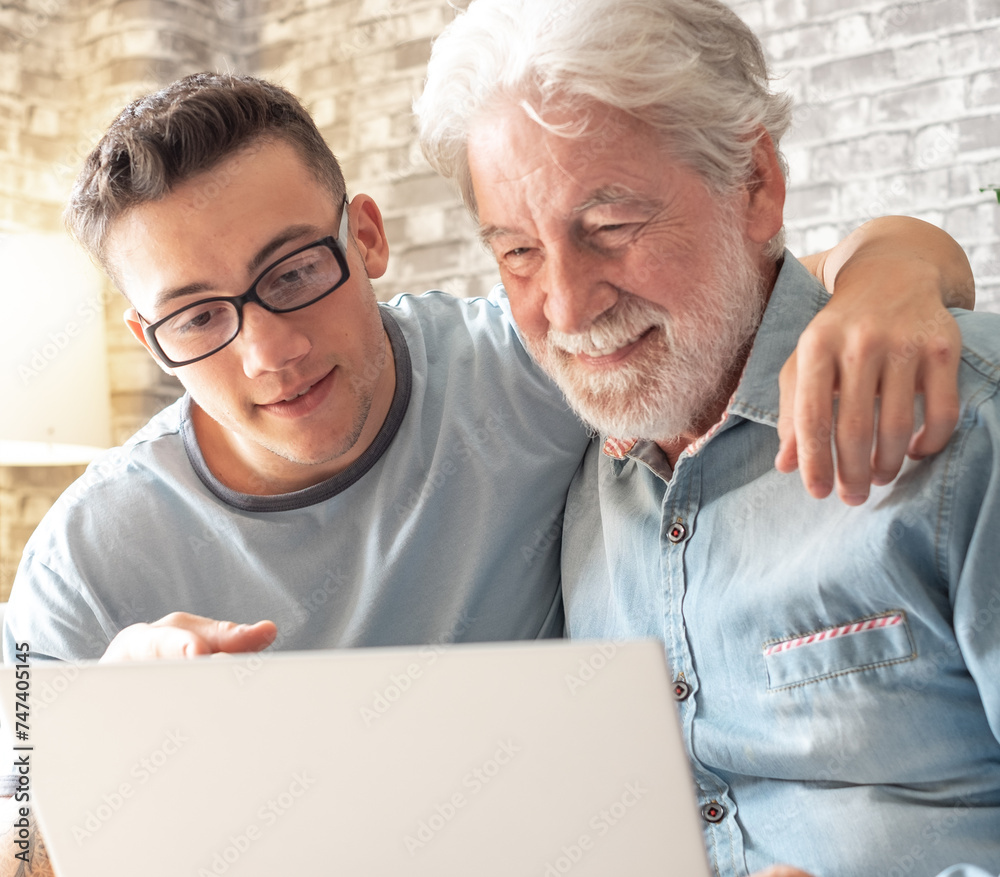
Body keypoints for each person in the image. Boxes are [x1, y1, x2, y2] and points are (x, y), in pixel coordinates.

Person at [0, 71, 976, 876]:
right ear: (148, 341)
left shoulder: (544, 366)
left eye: (294, 270)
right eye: (198, 317)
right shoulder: (87, 556)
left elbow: (771, 302)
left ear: (367, 237)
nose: (268, 351)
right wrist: (104, 754)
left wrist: (893, 270)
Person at [415, 1, 1000, 876]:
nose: (571, 310)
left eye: (611, 228)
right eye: (518, 254)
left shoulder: (962, 421)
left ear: (756, 183)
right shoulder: (553, 450)